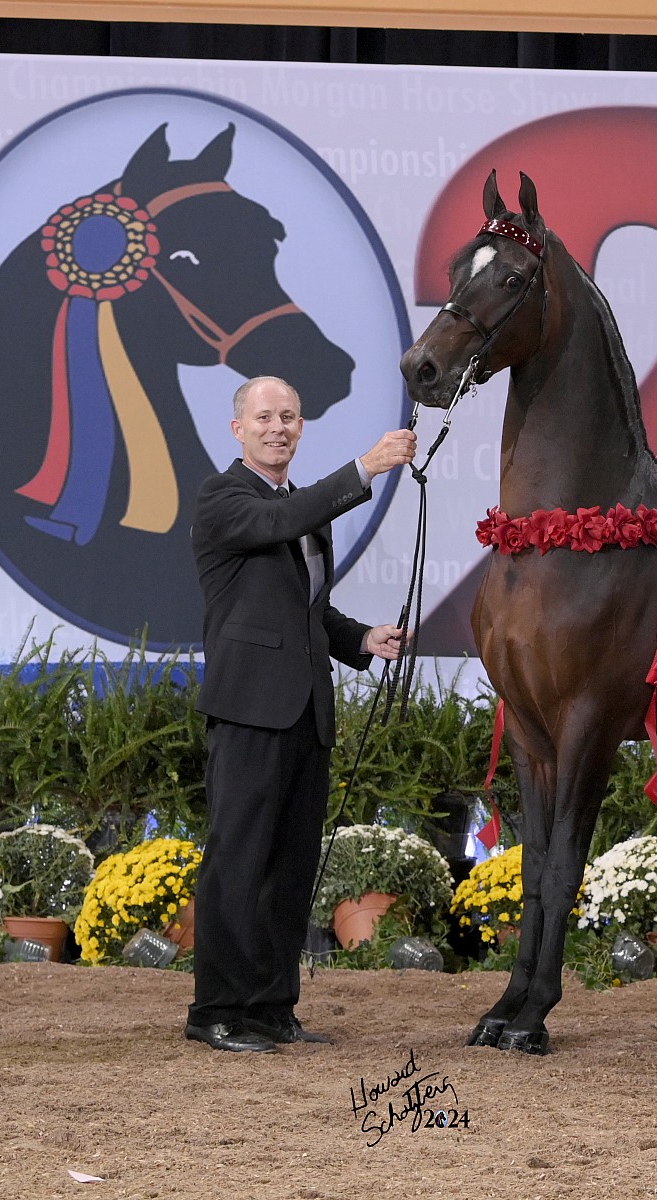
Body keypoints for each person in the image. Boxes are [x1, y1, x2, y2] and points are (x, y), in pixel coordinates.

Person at [185, 375, 416, 1053]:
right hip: (250, 709)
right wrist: (365, 467)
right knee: (238, 862)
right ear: (238, 430)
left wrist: (361, 641)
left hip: (306, 711)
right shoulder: (224, 497)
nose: (278, 427)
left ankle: (272, 1005)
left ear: (301, 425)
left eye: (289, 415)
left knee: (289, 867)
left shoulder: (295, 506)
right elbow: (278, 524)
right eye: (265, 417)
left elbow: (307, 608)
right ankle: (217, 1011)